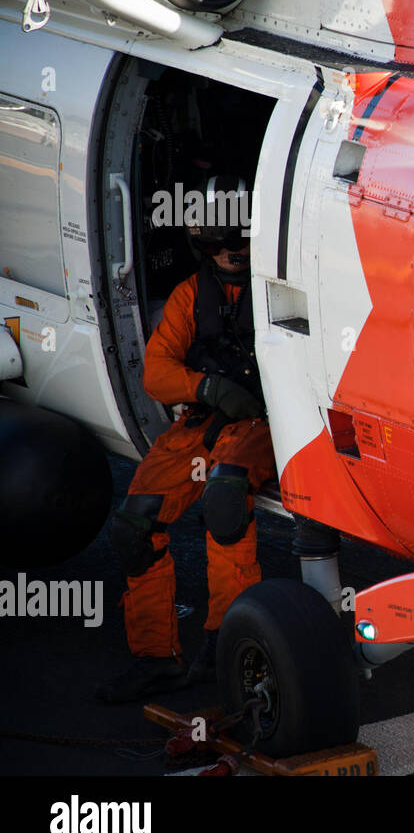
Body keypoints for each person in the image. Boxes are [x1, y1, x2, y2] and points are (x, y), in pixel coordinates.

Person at [97, 199, 275, 703]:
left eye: (239, 240)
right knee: (134, 526)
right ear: (203, 246)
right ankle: (157, 661)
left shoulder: (278, 288)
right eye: (219, 244)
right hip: (206, 420)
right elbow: (157, 374)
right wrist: (209, 389)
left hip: (264, 423)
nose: (232, 251)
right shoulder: (189, 295)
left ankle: (231, 645)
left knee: (225, 500)